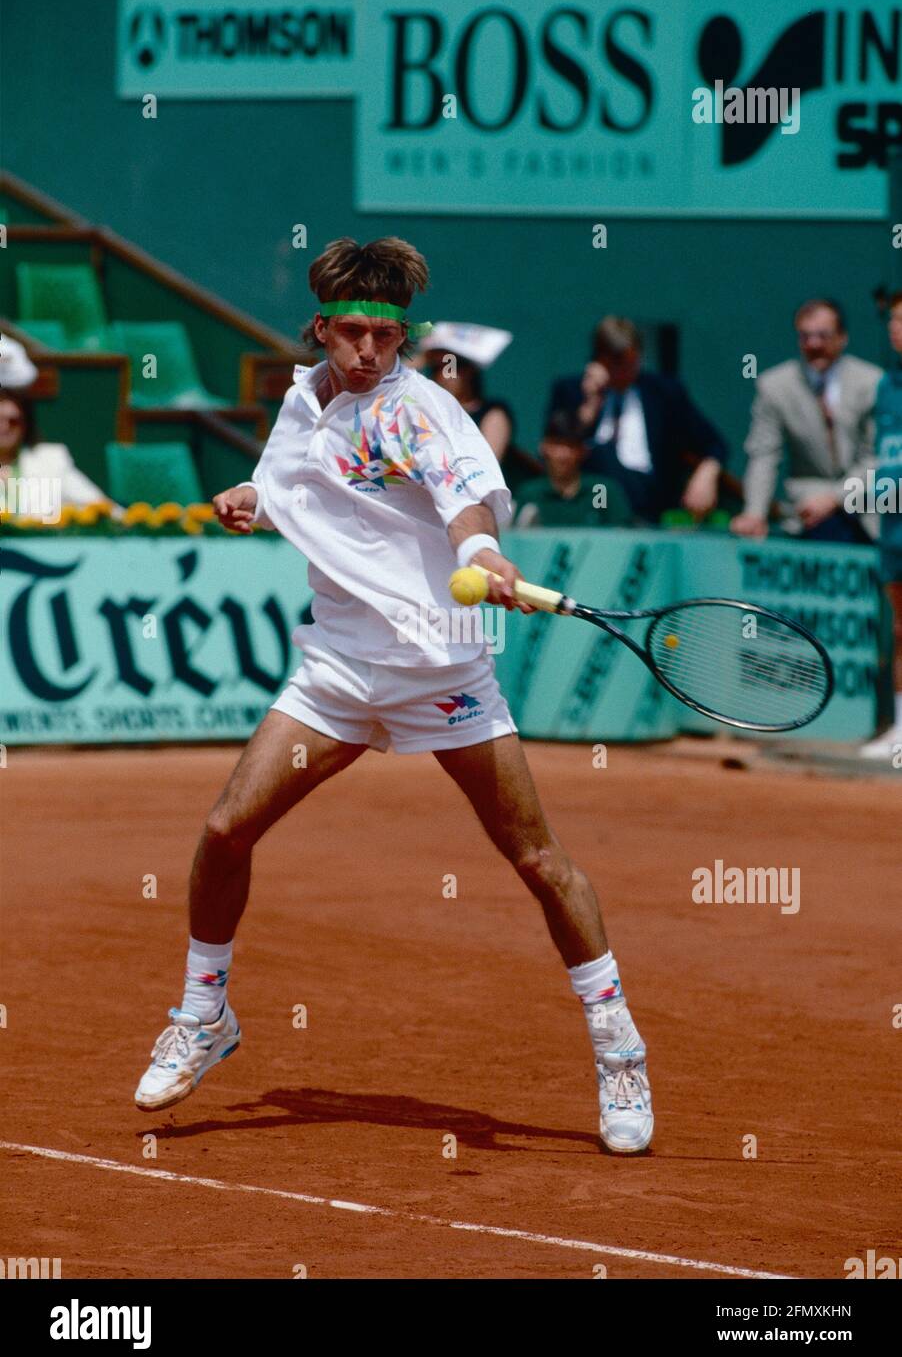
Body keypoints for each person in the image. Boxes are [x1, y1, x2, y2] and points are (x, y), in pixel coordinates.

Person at [134, 237, 654, 1155]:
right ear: (322, 326)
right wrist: (254, 495)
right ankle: (203, 1012)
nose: (371, 350)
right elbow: (297, 478)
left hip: (442, 671)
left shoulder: (423, 412)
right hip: (336, 669)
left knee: (537, 859)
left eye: (387, 332)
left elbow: (469, 503)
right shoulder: (302, 399)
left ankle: (620, 1054)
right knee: (225, 831)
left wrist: (479, 553)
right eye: (353, 331)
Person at [547, 317, 726, 524]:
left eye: (633, 363)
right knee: (601, 452)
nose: (627, 372)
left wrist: (707, 472)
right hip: (589, 505)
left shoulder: (664, 393)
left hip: (649, 505)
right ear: (600, 361)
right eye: (619, 365)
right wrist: (590, 405)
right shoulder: (570, 392)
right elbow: (554, 450)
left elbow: (714, 443)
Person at [731, 299, 882, 541]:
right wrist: (754, 513)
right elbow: (764, 455)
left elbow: (877, 456)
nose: (813, 344)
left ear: (842, 337)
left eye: (823, 335)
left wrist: (836, 497)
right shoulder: (775, 386)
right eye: (805, 336)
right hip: (810, 513)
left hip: (872, 509)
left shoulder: (872, 382)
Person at [416, 321, 542, 500]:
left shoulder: (494, 412)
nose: (443, 375)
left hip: (491, 504)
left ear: (469, 370)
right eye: (435, 369)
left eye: (450, 366)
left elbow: (485, 468)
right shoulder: (428, 413)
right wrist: (417, 361)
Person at [861, 292, 902, 760]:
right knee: (901, 628)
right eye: (892, 320)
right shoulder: (887, 384)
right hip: (894, 523)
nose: (895, 327)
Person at [0, 388, 112, 519]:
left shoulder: (50, 460)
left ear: (25, 425)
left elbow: (97, 504)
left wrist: (135, 523)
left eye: (13, 421)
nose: (4, 427)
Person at [514, 409, 633, 528]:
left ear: (583, 451)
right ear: (544, 447)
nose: (563, 455)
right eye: (557, 444)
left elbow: (621, 535)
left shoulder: (600, 491)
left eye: (571, 446)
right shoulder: (530, 493)